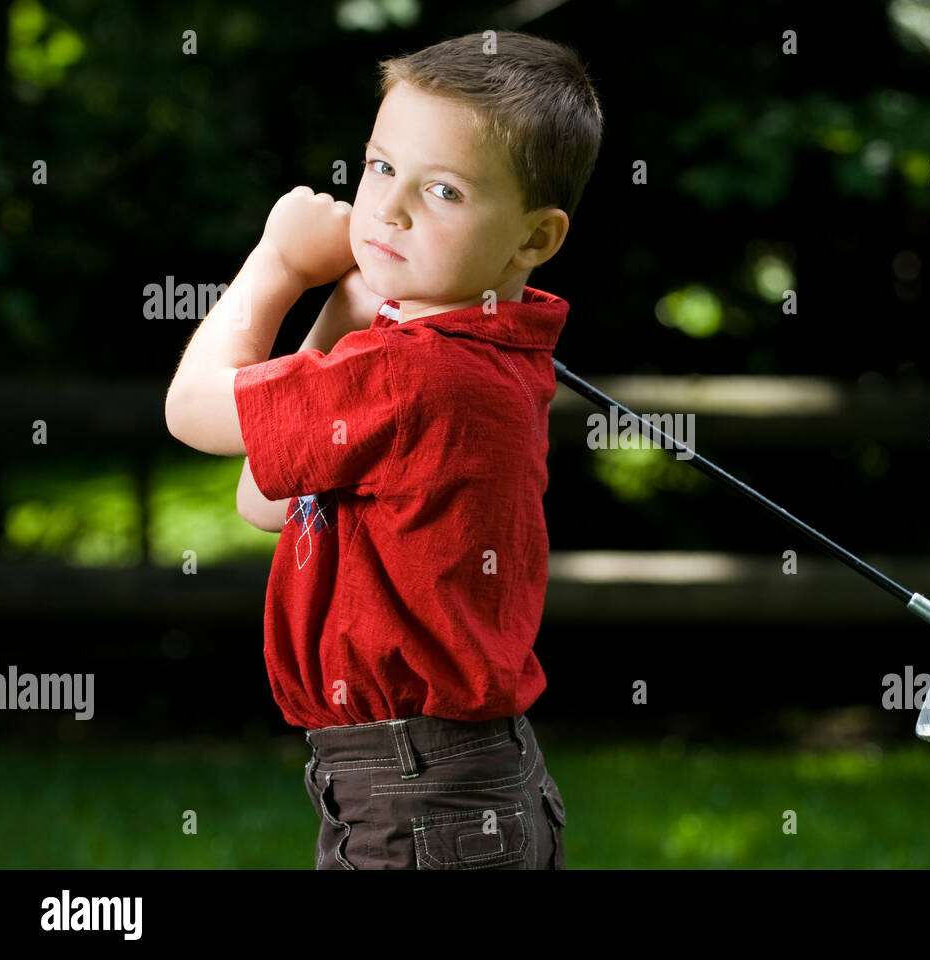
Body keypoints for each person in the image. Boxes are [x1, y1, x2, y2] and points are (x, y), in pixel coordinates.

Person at [163, 30, 603, 869]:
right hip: (443, 783)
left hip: (420, 795)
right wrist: (351, 305)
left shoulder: (417, 375)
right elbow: (264, 495)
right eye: (378, 168)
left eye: (443, 190)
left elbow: (192, 411)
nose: (390, 207)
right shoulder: (476, 354)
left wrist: (278, 263)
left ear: (534, 241)